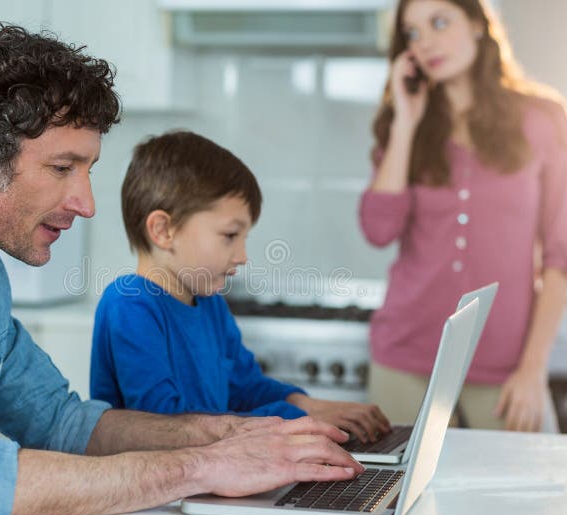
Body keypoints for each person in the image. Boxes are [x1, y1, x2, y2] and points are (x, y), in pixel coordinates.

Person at [0, 23, 364, 515]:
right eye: (62, 169)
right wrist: (202, 466)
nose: (87, 203)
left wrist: (230, 434)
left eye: (88, 171)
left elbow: (62, 422)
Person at [360, 0, 567, 432]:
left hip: (506, 367)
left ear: (479, 24)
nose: (426, 43)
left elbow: (560, 257)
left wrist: (533, 369)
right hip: (405, 361)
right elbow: (377, 229)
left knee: (522, 497)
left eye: (439, 23)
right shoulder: (404, 124)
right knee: (398, 498)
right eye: (413, 33)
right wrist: (405, 123)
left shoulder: (544, 120)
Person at [89, 131, 391, 442]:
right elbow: (166, 423)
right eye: (230, 236)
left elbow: (244, 386)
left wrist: (307, 404)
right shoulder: (130, 305)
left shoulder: (209, 303)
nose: (243, 257)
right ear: (164, 230)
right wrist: (298, 419)